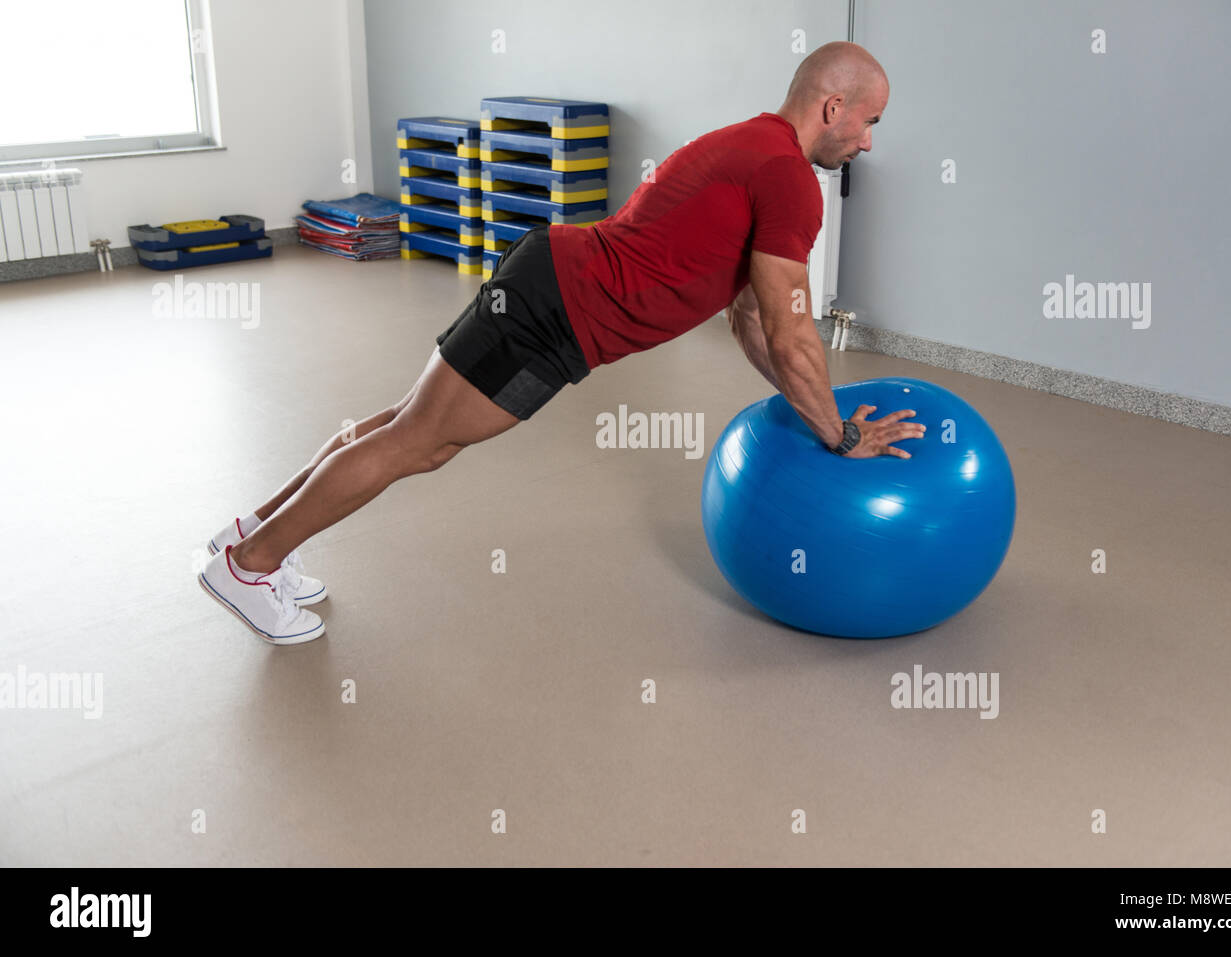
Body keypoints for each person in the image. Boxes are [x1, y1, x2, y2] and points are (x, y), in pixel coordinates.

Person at [198, 41, 926, 644]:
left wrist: (813, 414)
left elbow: (753, 323)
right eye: (869, 122)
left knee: (406, 424)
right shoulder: (788, 179)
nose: (867, 141)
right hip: (556, 312)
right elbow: (797, 333)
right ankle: (248, 563)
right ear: (832, 107)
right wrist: (840, 434)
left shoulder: (751, 147)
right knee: (420, 441)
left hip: (549, 282)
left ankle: (258, 530)